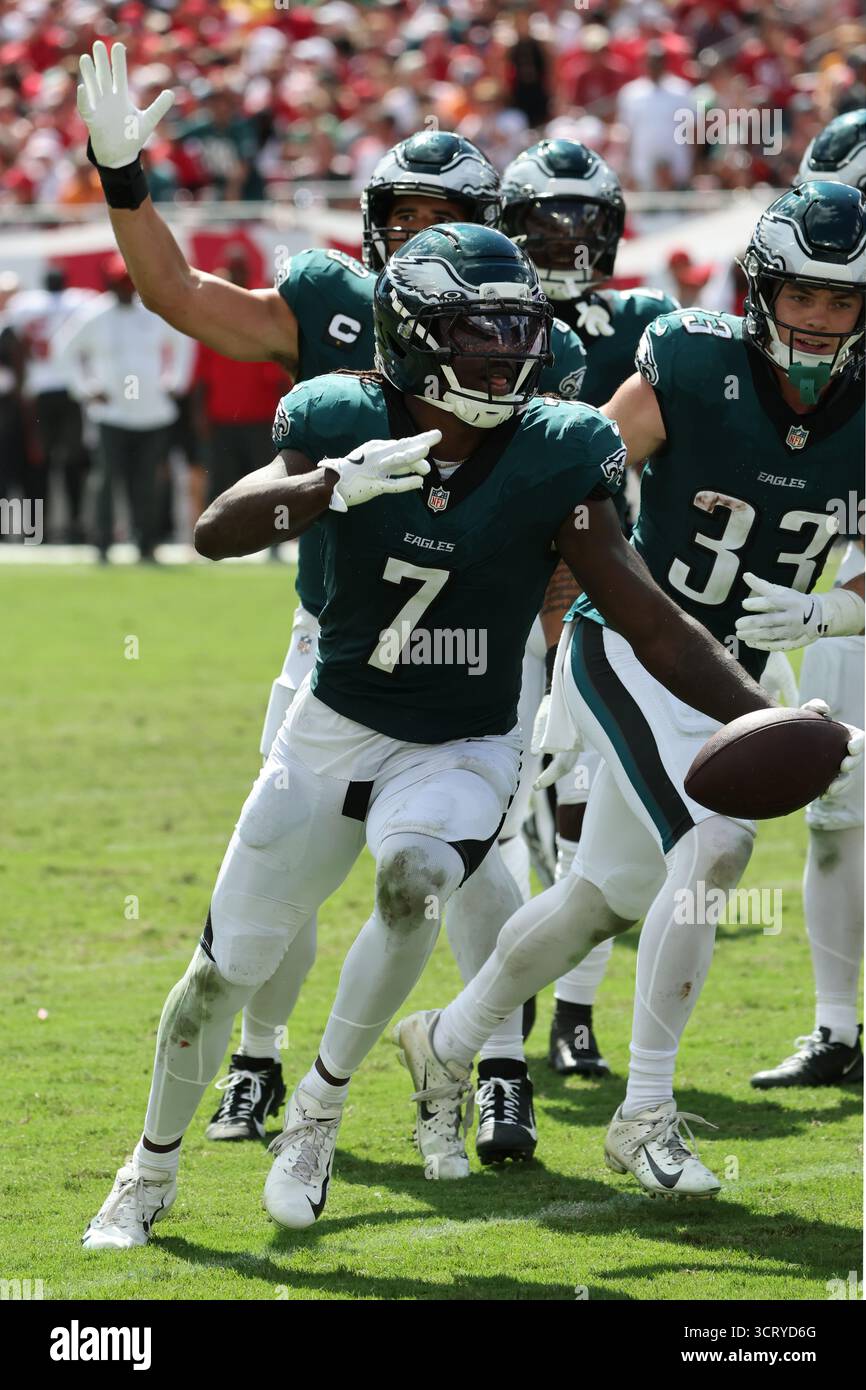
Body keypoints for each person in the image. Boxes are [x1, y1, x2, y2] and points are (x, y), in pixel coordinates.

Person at [83, 219, 786, 1247]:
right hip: (332, 725)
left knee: (413, 885)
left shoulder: (557, 446)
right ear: (413, 335)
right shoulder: (335, 414)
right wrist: (324, 486)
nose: (506, 351)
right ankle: (147, 1171)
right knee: (219, 975)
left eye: (515, 329)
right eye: (478, 331)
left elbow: (649, 617)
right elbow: (215, 528)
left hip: (463, 737)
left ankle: (319, 1112)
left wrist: (760, 714)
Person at [75, 39, 589, 1169]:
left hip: (475, 648)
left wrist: (560, 669)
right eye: (400, 216)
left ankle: (492, 1066)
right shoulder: (330, 306)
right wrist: (123, 178)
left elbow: (570, 520)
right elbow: (177, 293)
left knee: (467, 871)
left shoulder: (516, 332)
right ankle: (258, 1057)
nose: (416, 238)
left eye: (443, 216)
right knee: (286, 863)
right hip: (334, 636)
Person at [394, 180, 865, 1200]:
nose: (821, 320)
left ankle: (447, 1037)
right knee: (713, 843)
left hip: (735, 669)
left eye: (844, 300)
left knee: (600, 897)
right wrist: (547, 632)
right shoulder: (692, 366)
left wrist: (835, 613)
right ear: (758, 290)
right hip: (632, 640)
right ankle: (642, 1109)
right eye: (805, 295)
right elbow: (575, 473)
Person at [498, 137, 679, 1076]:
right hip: (493, 593)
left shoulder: (648, 324)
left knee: (583, 807)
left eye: (583, 222)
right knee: (498, 805)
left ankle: (572, 1011)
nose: (567, 240)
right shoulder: (484, 321)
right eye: (546, 221)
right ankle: (508, 1006)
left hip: (602, 592)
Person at [56, 255, 194, 562]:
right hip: (111, 415)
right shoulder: (94, 314)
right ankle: (102, 544)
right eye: (120, 284)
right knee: (106, 479)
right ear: (108, 283)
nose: (125, 290)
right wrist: (86, 389)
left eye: (129, 284)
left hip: (153, 413)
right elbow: (62, 350)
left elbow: (184, 341)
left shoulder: (153, 312)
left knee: (147, 482)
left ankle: (146, 544)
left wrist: (175, 381)